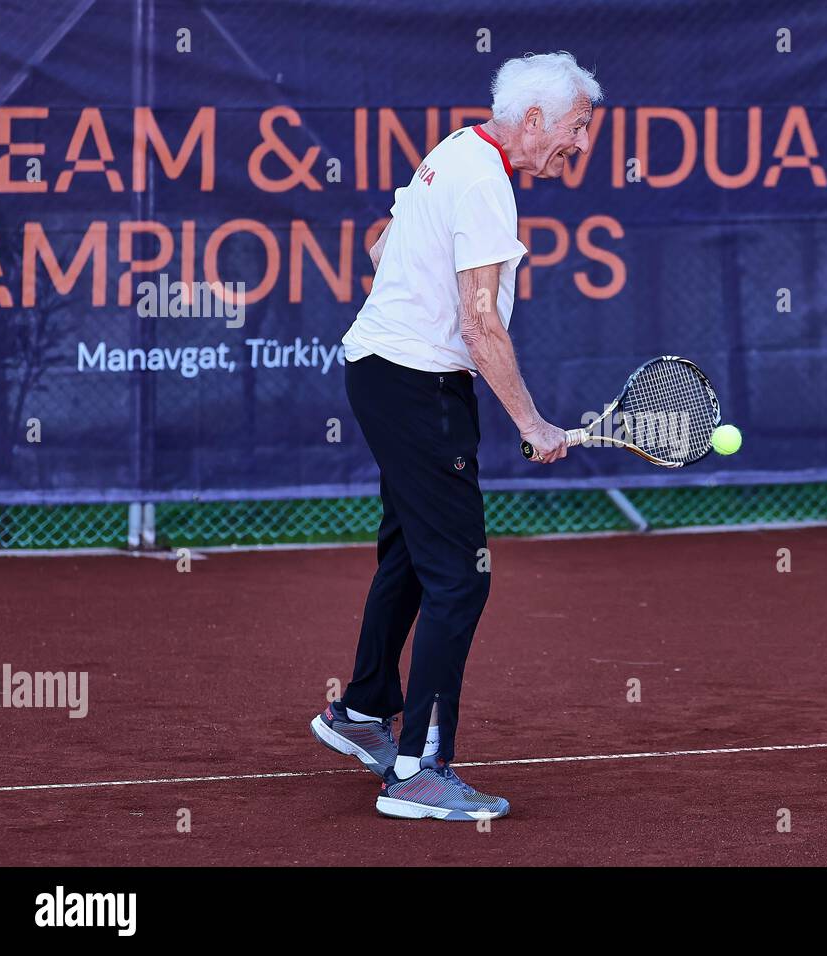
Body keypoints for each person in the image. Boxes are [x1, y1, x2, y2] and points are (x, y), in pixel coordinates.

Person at [310, 52, 601, 820]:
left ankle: (364, 711)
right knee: (460, 577)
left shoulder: (454, 153)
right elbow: (479, 322)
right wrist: (532, 423)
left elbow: (382, 243)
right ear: (533, 118)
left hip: (382, 371)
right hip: (419, 388)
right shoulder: (485, 181)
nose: (581, 146)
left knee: (411, 552)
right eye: (577, 128)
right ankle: (418, 770)